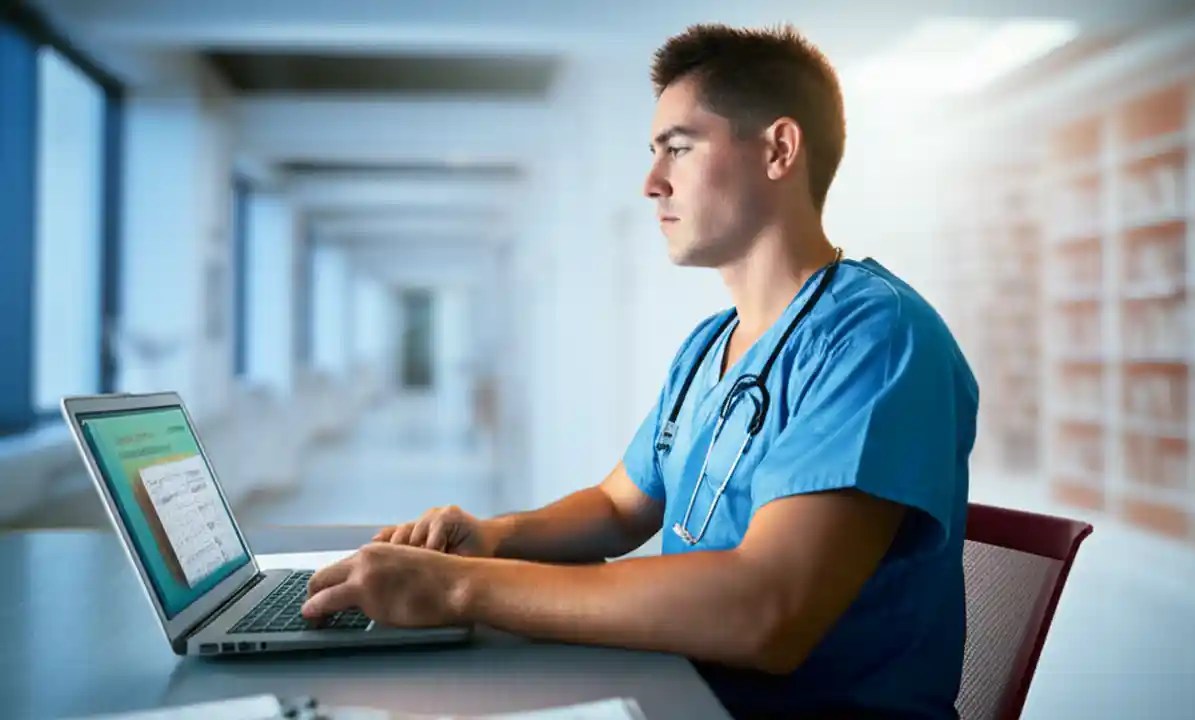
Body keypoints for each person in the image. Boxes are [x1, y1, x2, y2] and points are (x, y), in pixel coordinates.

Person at [304, 23, 978, 719]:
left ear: (779, 149)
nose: (651, 184)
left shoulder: (877, 338)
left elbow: (766, 611)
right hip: (676, 690)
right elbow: (622, 505)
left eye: (678, 150)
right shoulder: (709, 345)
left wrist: (458, 588)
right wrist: (495, 535)